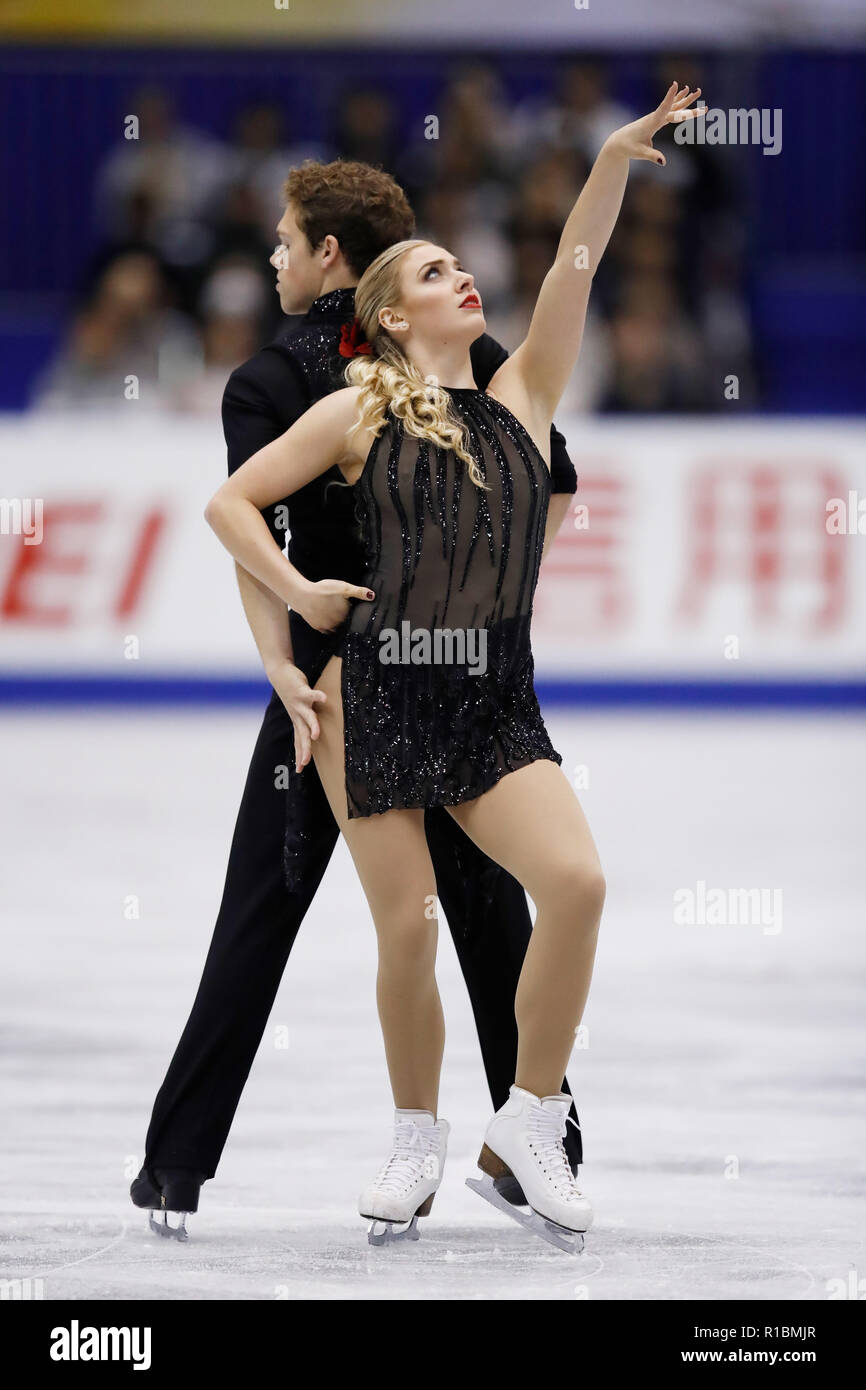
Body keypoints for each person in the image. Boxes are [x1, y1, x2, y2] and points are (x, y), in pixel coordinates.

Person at [205, 84, 704, 1244]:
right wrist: (296, 600)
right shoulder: (353, 411)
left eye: (457, 266)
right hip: (367, 694)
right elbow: (231, 505)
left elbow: (575, 263)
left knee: (575, 886)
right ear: (387, 316)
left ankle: (529, 1117)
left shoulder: (525, 392)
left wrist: (613, 157)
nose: (458, 279)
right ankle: (414, 1133)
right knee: (411, 926)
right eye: (429, 274)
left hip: (491, 704)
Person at [130, 158, 583, 1239]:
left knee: (263, 919)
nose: (275, 257)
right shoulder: (433, 350)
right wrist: (490, 600)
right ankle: (534, 1153)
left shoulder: (278, 376)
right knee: (485, 922)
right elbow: (548, 481)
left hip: (331, 682)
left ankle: (174, 1173)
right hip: (414, 680)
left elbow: (261, 540)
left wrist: (280, 655)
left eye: (285, 241)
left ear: (332, 254)